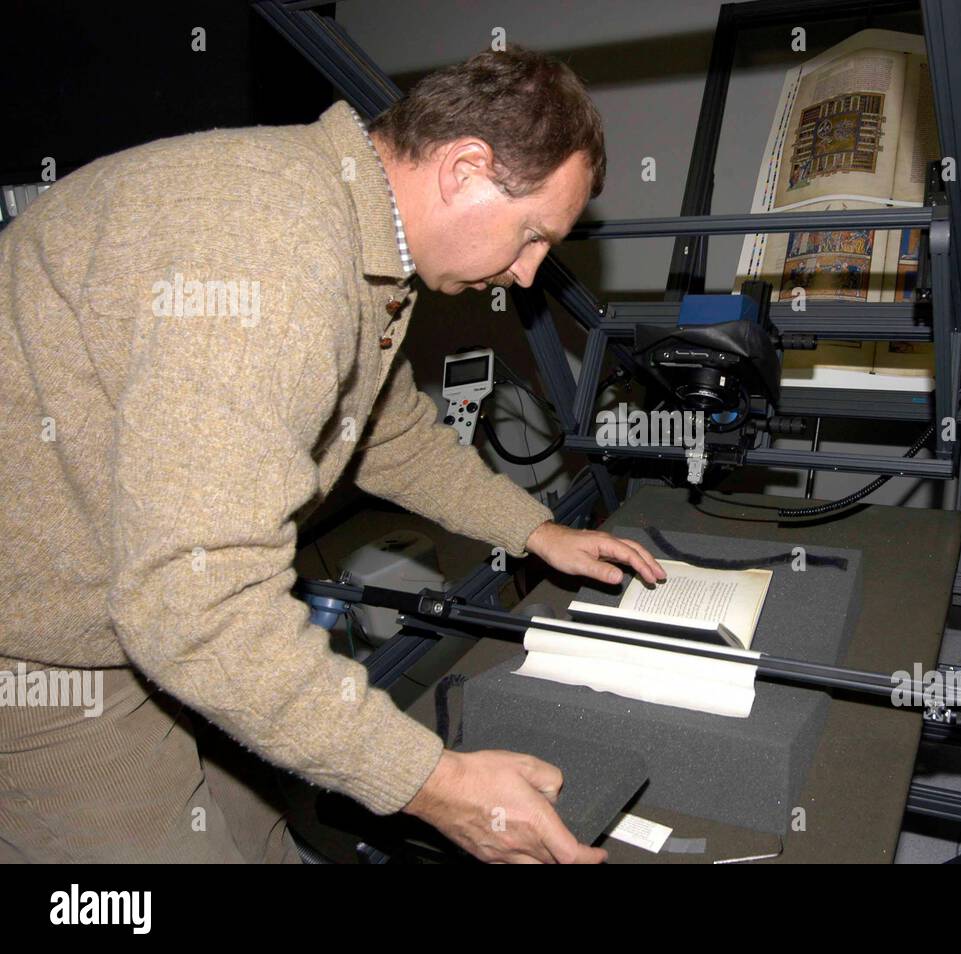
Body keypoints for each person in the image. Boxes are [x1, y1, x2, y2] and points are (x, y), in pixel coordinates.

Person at [0, 44, 664, 864]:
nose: (529, 275)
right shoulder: (275, 260)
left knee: (260, 832)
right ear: (464, 168)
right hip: (43, 646)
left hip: (143, 604)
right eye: (531, 234)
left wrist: (534, 530)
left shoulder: (351, 224)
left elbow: (383, 431)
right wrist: (434, 784)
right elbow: (200, 612)